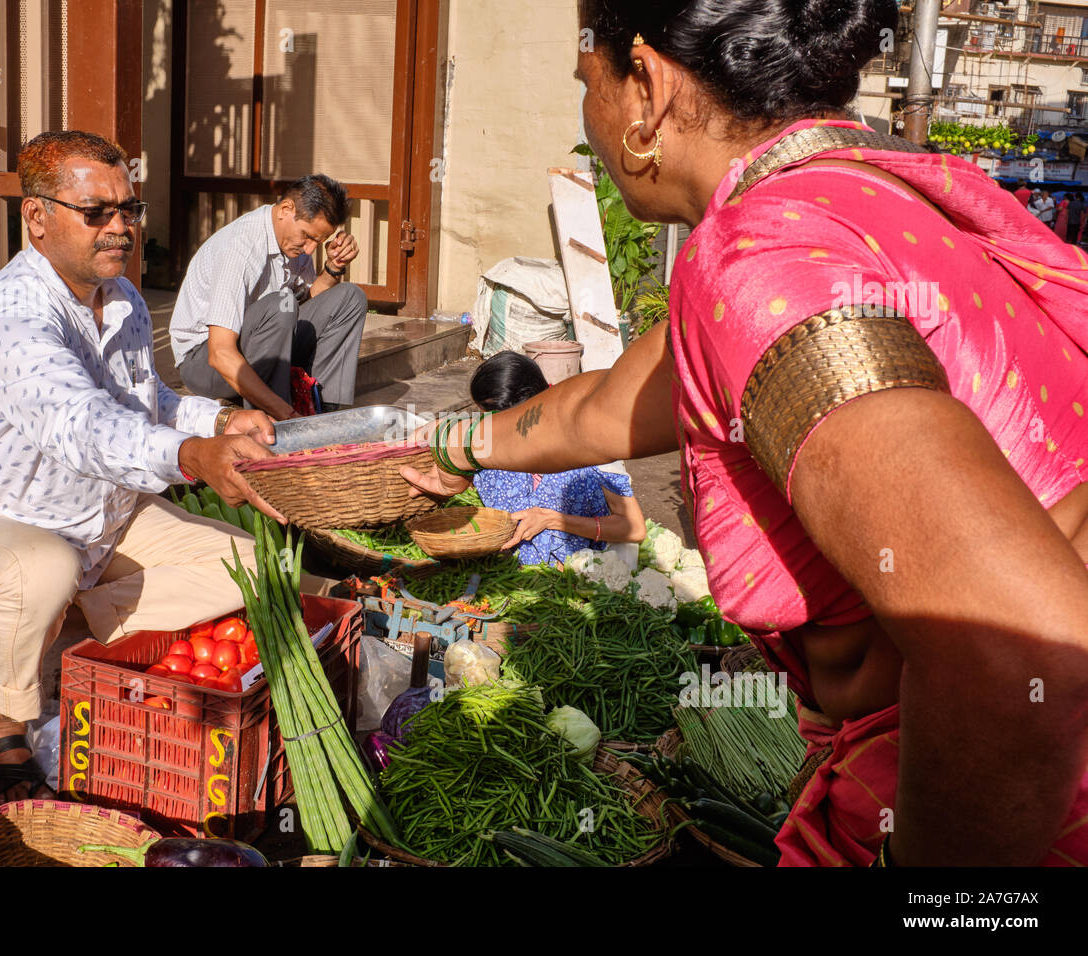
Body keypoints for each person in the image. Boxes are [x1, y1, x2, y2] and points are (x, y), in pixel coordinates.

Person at [397, 0, 1088, 866]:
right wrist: (451, 447)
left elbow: (1011, 649)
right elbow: (606, 406)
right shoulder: (855, 194)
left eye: (589, 83)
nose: (590, 113)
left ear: (644, 85)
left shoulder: (762, 258)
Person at [0, 130, 291, 806]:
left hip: (94, 517)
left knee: (260, 567)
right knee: (37, 567)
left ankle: (45, 637)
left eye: (128, 210)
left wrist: (218, 422)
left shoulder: (125, 301)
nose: (119, 228)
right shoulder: (11, 317)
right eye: (96, 212)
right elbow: (80, 425)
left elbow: (149, 400)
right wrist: (190, 456)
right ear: (39, 218)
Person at [169, 175, 368, 420]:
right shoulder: (240, 248)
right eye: (307, 236)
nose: (309, 249)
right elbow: (219, 353)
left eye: (318, 241)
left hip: (262, 344)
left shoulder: (292, 242)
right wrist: (285, 413)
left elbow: (306, 303)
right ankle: (276, 421)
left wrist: (333, 268)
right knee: (281, 306)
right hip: (204, 363)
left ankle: (324, 413)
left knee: (350, 298)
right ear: (286, 209)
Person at [466, 351, 646, 564]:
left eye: (494, 418)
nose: (487, 427)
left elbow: (634, 528)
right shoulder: (497, 445)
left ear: (521, 413)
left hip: (583, 567)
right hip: (516, 568)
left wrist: (552, 519)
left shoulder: (587, 442)